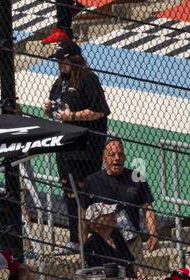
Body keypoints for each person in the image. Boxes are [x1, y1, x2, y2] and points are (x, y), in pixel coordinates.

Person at [45, 42, 108, 249]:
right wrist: (49, 108)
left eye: (63, 60)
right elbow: (56, 107)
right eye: (59, 61)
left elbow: (99, 111)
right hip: (65, 146)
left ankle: (88, 239)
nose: (60, 64)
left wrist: (73, 115)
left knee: (84, 192)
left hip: (85, 147)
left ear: (74, 59)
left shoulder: (88, 79)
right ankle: (75, 238)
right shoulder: (60, 82)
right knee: (68, 191)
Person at [80, 139, 157, 254]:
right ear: (104, 158)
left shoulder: (136, 177)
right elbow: (83, 213)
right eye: (112, 155)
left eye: (120, 154)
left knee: (134, 271)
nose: (117, 158)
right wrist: (84, 242)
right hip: (104, 241)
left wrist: (153, 233)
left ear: (125, 157)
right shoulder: (92, 181)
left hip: (131, 240)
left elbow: (147, 207)